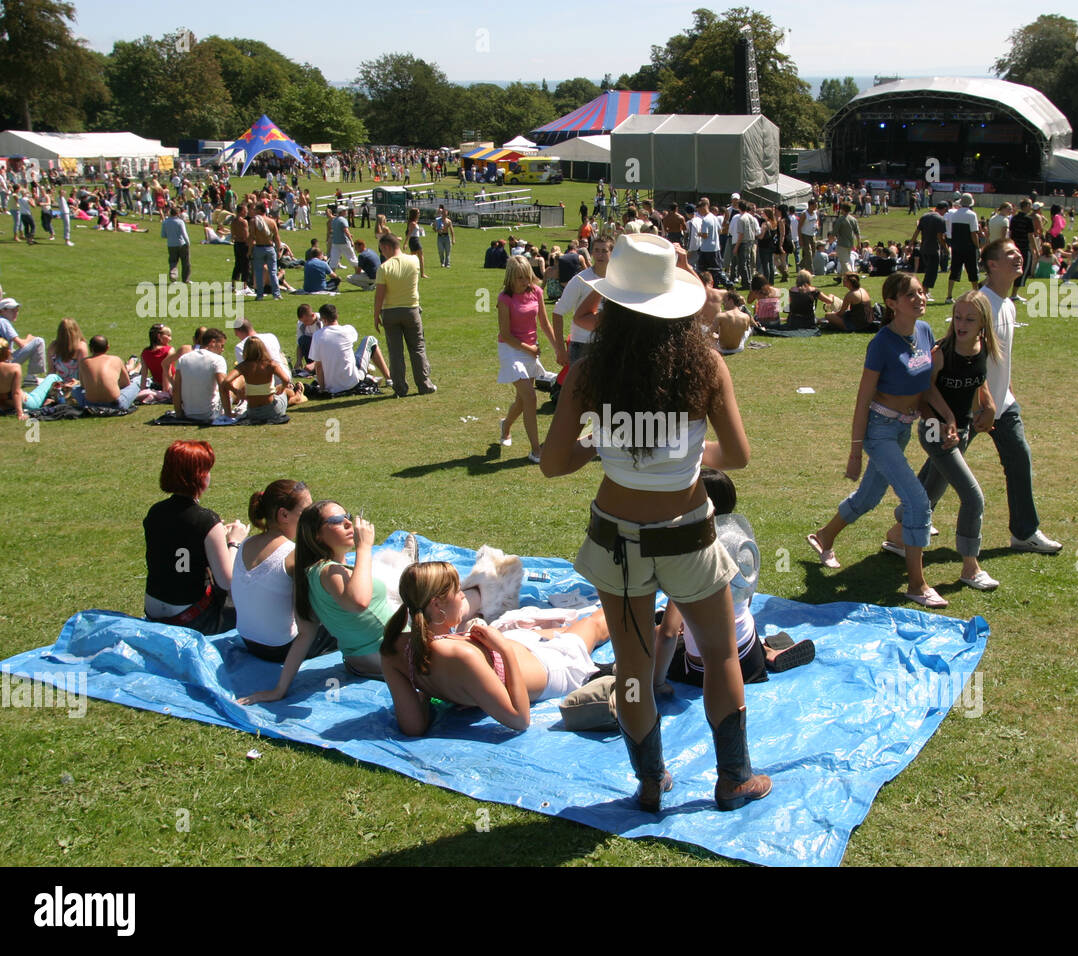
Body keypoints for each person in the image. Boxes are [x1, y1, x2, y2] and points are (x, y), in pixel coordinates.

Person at [540, 233, 772, 813]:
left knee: (634, 667)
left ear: (613, 303)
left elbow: (552, 463)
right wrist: (689, 456)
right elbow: (737, 455)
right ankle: (734, 778)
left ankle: (649, 783)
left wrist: (604, 448)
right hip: (688, 532)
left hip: (614, 534)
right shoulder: (706, 366)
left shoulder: (590, 373)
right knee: (719, 654)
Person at [805, 272, 954, 609]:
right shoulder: (881, 344)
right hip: (879, 431)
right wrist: (855, 451)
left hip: (903, 428)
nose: (919, 299)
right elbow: (862, 399)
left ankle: (824, 536)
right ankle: (917, 585)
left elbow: (925, 386)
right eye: (910, 295)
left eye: (921, 291)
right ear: (891, 303)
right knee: (917, 503)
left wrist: (947, 417)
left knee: (870, 496)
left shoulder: (924, 331)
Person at [933, 239, 1063, 553]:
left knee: (1019, 459)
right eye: (1009, 254)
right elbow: (956, 351)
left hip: (1001, 404)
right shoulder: (981, 302)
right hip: (973, 404)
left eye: (1018, 252)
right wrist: (982, 402)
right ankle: (909, 524)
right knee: (941, 467)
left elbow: (998, 358)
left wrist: (1007, 392)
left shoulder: (1008, 303)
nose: (1019, 256)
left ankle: (1024, 532)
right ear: (991, 264)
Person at [379, 562, 611, 734]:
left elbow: (413, 727)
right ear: (436, 604)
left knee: (561, 630)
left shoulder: (393, 650)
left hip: (523, 646)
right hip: (552, 668)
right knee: (594, 624)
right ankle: (636, 606)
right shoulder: (462, 655)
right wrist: (503, 650)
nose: (463, 598)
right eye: (458, 592)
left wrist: (433, 690)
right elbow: (519, 720)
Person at [882, 290, 1002, 590]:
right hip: (935, 431)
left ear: (983, 323)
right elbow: (926, 389)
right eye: (958, 317)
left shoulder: (982, 347)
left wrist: (988, 406)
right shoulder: (941, 352)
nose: (961, 324)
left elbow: (978, 380)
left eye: (969, 319)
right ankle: (970, 567)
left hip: (962, 431)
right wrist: (946, 418)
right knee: (973, 497)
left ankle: (898, 535)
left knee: (928, 494)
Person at [654, 469, 813, 692]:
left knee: (656, 635)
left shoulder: (689, 558)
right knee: (733, 620)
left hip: (706, 672)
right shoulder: (741, 543)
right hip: (749, 661)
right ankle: (768, 651)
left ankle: (768, 649)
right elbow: (745, 600)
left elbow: (668, 635)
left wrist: (657, 682)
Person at [232, 481, 341, 701]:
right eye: (306, 512)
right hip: (279, 648)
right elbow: (307, 629)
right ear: (283, 515)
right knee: (349, 615)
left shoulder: (245, 543)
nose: (313, 519)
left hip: (248, 641)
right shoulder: (292, 554)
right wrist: (279, 689)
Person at [143, 440, 248, 635]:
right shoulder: (206, 520)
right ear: (200, 476)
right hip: (189, 619)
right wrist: (234, 541)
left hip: (153, 611)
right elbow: (226, 581)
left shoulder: (155, 512)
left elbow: (179, 545)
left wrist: (215, 538)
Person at [290, 501, 390, 679]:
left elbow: (305, 635)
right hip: (388, 655)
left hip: (361, 661)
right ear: (317, 535)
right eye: (337, 520)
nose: (348, 523)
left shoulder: (310, 574)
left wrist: (280, 688)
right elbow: (358, 602)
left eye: (348, 517)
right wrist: (364, 548)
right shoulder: (329, 571)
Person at [497, 255, 558, 461]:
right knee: (530, 397)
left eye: (528, 277)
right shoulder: (504, 299)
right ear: (511, 278)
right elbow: (505, 334)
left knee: (522, 401)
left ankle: (505, 425)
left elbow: (545, 324)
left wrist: (558, 350)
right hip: (510, 349)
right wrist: (529, 349)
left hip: (530, 349)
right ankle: (536, 450)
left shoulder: (536, 292)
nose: (525, 282)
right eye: (520, 278)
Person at [373, 233, 436, 397]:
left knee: (395, 352)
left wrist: (376, 315)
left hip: (390, 312)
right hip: (411, 310)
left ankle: (400, 388)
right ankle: (424, 384)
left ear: (387, 247)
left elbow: (379, 295)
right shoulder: (414, 261)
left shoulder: (384, 268)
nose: (382, 253)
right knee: (417, 348)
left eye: (382, 250)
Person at [551, 235, 609, 367]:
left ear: (612, 253)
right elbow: (558, 312)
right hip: (582, 345)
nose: (600, 255)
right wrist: (560, 349)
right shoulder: (581, 280)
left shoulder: (618, 280)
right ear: (592, 253)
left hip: (608, 344)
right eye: (597, 250)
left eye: (604, 251)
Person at [309, 303, 390, 394]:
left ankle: (371, 375)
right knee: (370, 340)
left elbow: (318, 366)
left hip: (331, 386)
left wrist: (322, 388)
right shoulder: (348, 330)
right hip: (351, 383)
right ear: (337, 316)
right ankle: (389, 378)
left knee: (351, 356)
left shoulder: (317, 335)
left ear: (323, 319)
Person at [225, 335, 302, 420]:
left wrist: (236, 392)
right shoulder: (271, 364)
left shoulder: (243, 366)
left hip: (252, 412)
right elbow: (286, 379)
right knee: (286, 392)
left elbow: (226, 381)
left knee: (279, 391)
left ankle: (294, 396)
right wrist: (282, 387)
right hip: (272, 411)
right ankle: (297, 397)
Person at [0, 336, 61, 419]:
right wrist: (20, 413)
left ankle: (50, 399)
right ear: (7, 352)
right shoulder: (14, 368)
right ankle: (61, 399)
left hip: (3, 406)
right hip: (28, 403)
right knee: (53, 377)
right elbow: (16, 393)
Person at [173, 326, 232, 421]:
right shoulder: (218, 359)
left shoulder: (183, 359)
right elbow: (223, 387)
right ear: (213, 342)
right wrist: (228, 416)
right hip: (210, 414)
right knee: (238, 380)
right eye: (222, 345)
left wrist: (179, 414)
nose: (223, 350)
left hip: (188, 413)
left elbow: (176, 389)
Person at [0, 298, 46, 385]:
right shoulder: (2, 322)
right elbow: (21, 344)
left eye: (17, 310)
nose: (15, 313)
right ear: (2, 311)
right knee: (38, 341)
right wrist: (29, 338)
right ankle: (31, 377)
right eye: (12, 310)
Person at [73, 335, 141, 411]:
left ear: (90, 348)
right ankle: (139, 368)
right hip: (116, 404)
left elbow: (83, 386)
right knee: (136, 381)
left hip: (89, 404)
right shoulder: (116, 359)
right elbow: (125, 383)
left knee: (75, 388)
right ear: (107, 347)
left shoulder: (83, 362)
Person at [248, 202, 282, 301]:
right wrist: (279, 249)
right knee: (273, 272)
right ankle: (276, 294)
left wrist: (249, 250)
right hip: (270, 247)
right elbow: (277, 237)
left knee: (258, 272)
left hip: (259, 247)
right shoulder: (272, 221)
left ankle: (260, 295)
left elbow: (251, 237)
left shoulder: (254, 221)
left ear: (259, 210)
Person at [49, 317, 88, 389]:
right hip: (77, 387)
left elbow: (51, 372)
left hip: (60, 386)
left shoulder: (53, 346)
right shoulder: (81, 347)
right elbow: (84, 372)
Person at [161, 206, 191, 283]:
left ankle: (173, 276)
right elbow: (184, 234)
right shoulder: (180, 222)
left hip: (171, 244)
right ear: (178, 213)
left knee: (173, 261)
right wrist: (188, 243)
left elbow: (163, 235)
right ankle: (186, 279)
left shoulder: (165, 222)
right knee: (185, 262)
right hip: (181, 244)